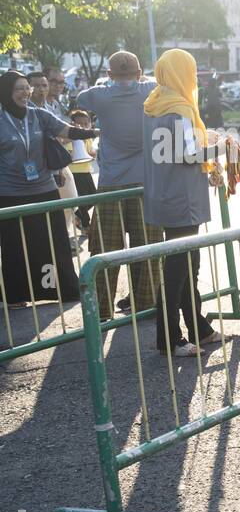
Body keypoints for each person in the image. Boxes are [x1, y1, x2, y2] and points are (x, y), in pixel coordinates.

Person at [141, 49, 225, 357]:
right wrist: (219, 148)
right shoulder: (177, 110)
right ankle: (170, 339)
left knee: (187, 266)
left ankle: (199, 329)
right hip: (182, 200)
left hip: (167, 196)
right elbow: (189, 155)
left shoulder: (153, 104)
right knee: (178, 270)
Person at [75, 51, 165, 318]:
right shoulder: (150, 89)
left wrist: (109, 85)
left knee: (104, 250)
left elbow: (81, 98)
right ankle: (145, 303)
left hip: (111, 183)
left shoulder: (99, 95)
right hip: (145, 181)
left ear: (109, 75)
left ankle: (101, 311)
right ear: (139, 73)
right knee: (147, 246)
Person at [0, 70, 90, 305]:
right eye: (18, 89)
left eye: (25, 88)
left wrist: (99, 132)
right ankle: (16, 296)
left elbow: (68, 131)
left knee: (53, 242)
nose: (25, 93)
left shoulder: (38, 115)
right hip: (10, 193)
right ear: (6, 93)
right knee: (15, 247)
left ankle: (62, 290)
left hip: (44, 189)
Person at [66, 109, 98, 230]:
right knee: (82, 199)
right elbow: (69, 153)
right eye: (80, 124)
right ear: (73, 124)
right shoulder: (72, 137)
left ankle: (77, 216)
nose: (84, 127)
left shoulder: (88, 138)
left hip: (86, 170)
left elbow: (90, 152)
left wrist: (92, 153)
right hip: (75, 172)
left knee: (93, 198)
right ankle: (85, 224)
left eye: (86, 124)